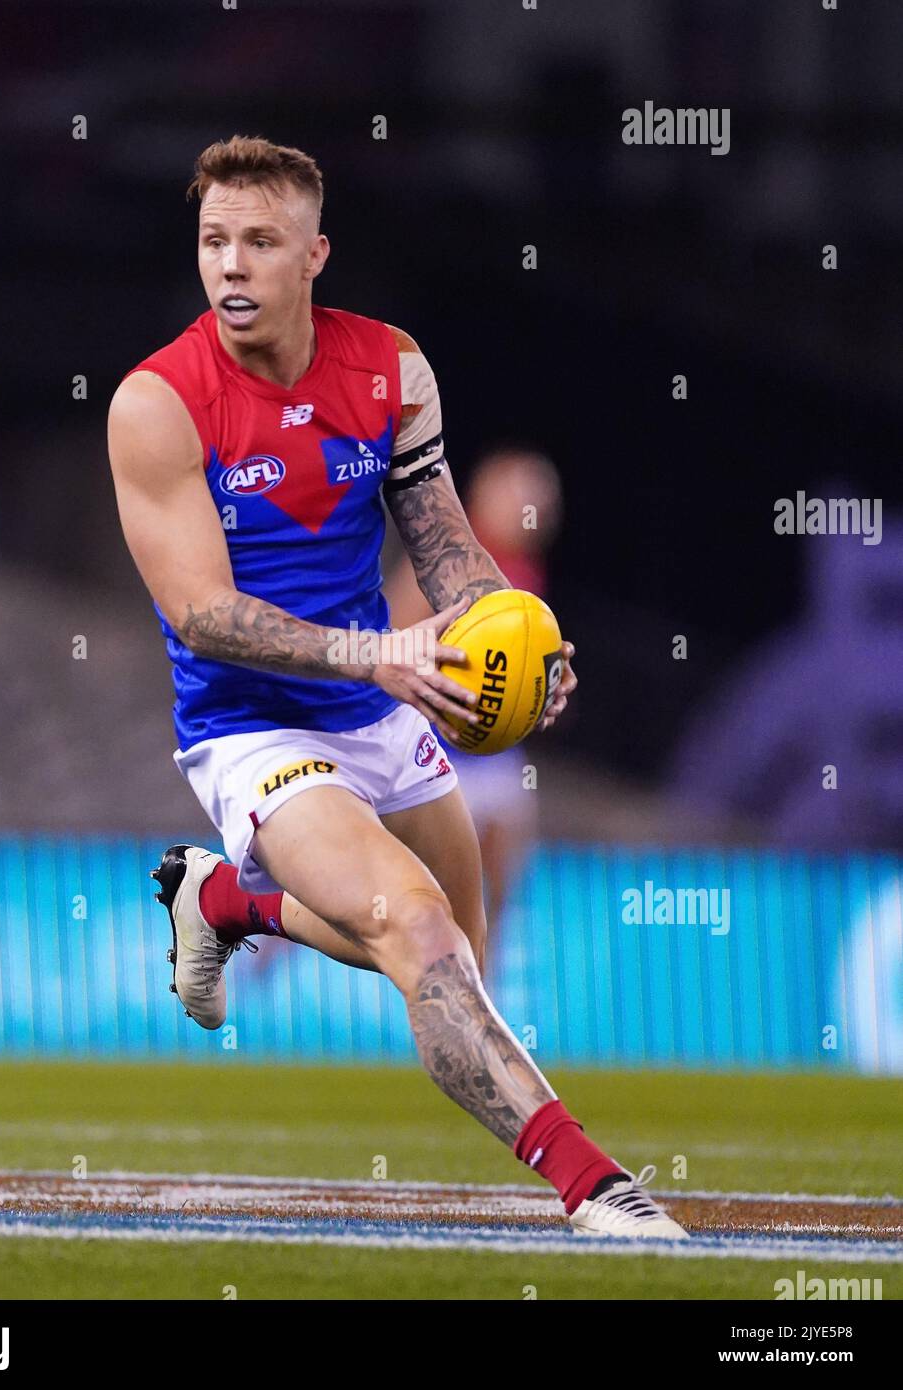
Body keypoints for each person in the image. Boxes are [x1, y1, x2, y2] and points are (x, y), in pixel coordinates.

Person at [107, 135, 686, 1239]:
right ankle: (596, 1185)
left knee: (450, 959)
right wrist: (377, 655)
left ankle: (225, 901)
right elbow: (203, 615)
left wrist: (510, 640)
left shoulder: (390, 370)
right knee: (415, 932)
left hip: (380, 712)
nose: (230, 265)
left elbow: (445, 543)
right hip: (253, 729)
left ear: (314, 255)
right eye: (213, 242)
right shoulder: (156, 403)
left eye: (259, 243)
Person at [386, 447, 563, 924]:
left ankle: (484, 973)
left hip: (490, 749)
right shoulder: (443, 559)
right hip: (428, 741)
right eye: (520, 495)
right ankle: (256, 951)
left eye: (540, 500)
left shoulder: (525, 575)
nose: (532, 509)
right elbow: (396, 640)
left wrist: (547, 686)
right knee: (364, 876)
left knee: (505, 856)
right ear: (483, 496)